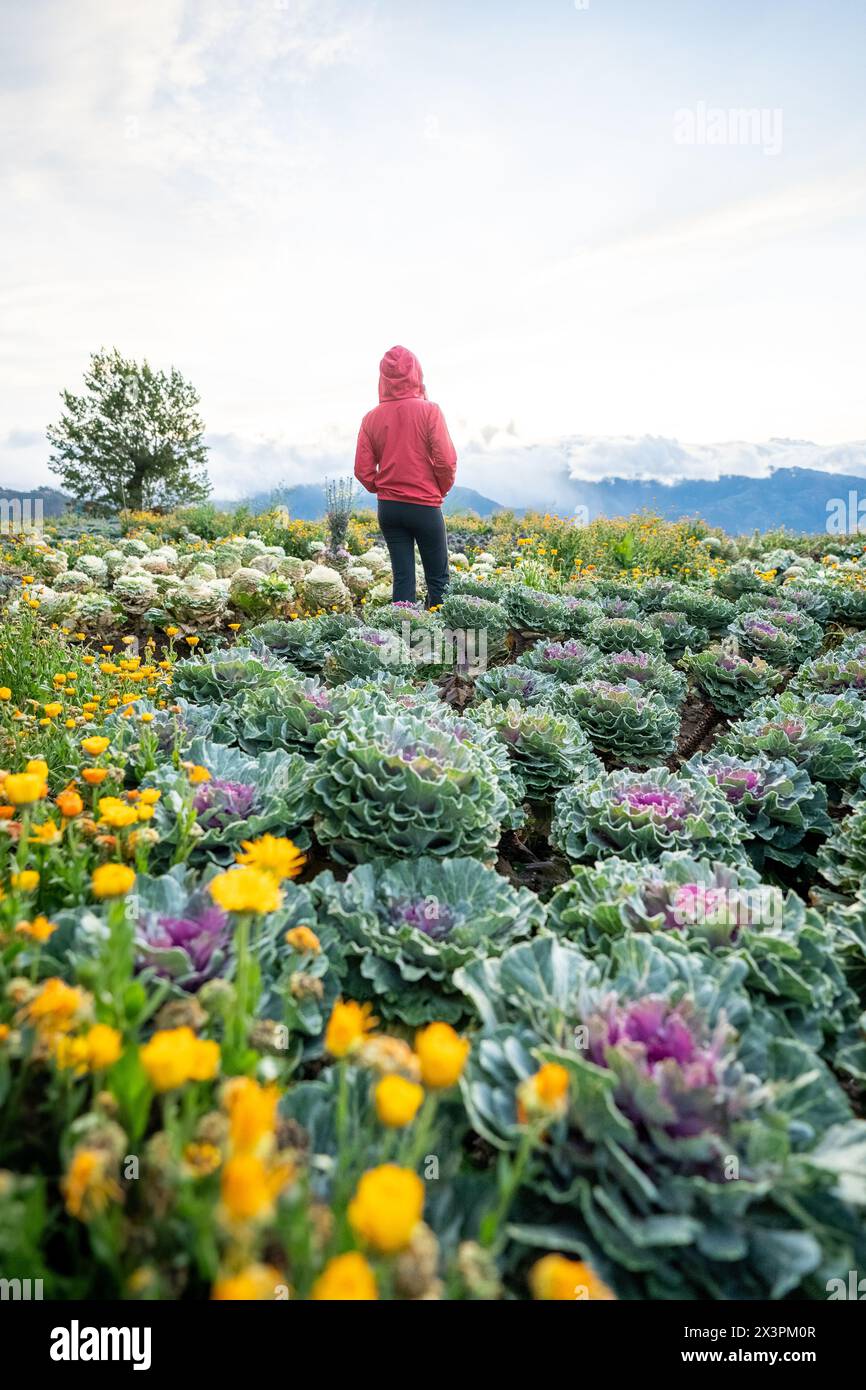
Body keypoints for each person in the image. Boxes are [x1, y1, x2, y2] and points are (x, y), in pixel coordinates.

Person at [354, 345, 457, 608]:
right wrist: (441, 488)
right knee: (438, 580)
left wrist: (384, 487)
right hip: (424, 505)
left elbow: (362, 470)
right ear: (416, 373)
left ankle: (402, 632)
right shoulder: (430, 411)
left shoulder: (370, 418)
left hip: (389, 508)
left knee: (403, 579)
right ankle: (440, 633)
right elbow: (446, 461)